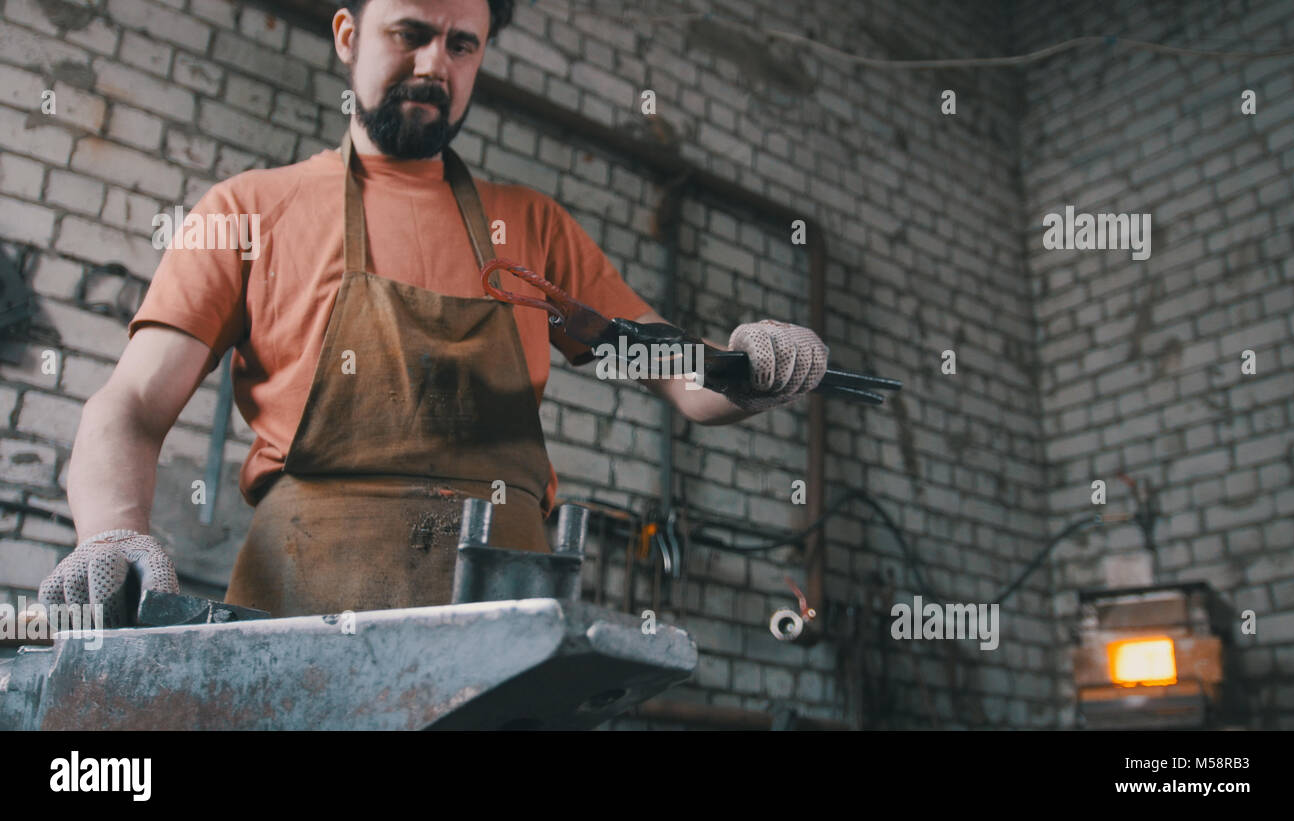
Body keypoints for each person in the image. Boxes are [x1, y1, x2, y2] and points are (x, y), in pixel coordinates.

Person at [34, 0, 828, 623]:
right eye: (408, 33)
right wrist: (111, 528)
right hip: (302, 611)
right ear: (347, 34)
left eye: (461, 44)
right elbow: (133, 404)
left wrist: (746, 366)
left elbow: (674, 376)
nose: (432, 65)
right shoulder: (248, 209)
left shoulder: (535, 231)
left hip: (506, 623)